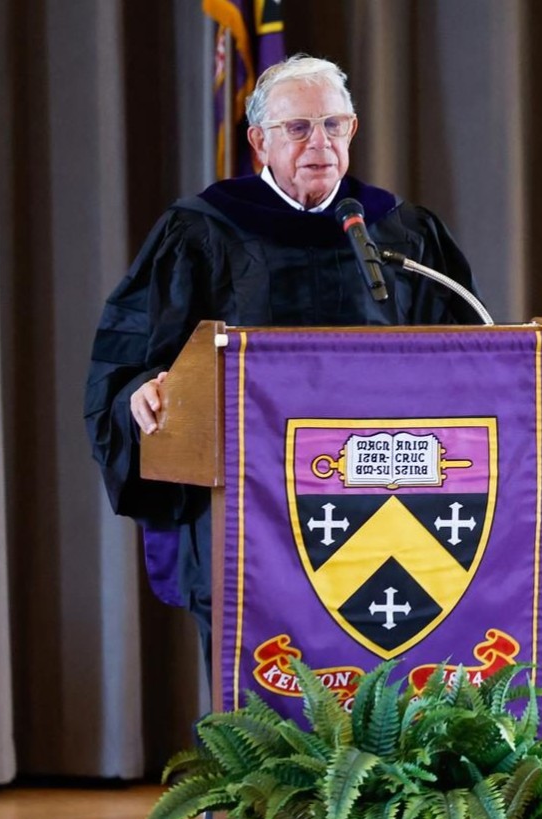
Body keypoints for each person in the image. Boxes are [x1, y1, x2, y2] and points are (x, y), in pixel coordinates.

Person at [85, 53, 480, 674]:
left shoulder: (398, 231)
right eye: (298, 128)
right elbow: (134, 357)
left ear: (352, 130)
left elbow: (465, 355)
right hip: (246, 510)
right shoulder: (203, 231)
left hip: (389, 510)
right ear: (259, 142)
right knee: (258, 694)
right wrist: (142, 390)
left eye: (334, 125)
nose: (319, 142)